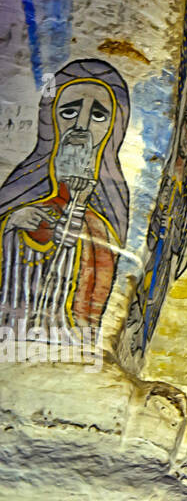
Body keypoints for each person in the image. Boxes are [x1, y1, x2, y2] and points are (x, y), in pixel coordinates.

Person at [0, 60, 131, 334]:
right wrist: (13, 221)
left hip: (65, 322)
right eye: (69, 112)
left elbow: (109, 257)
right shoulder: (24, 178)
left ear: (113, 126)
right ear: (51, 117)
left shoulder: (113, 194)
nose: (80, 126)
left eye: (98, 116)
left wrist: (80, 218)